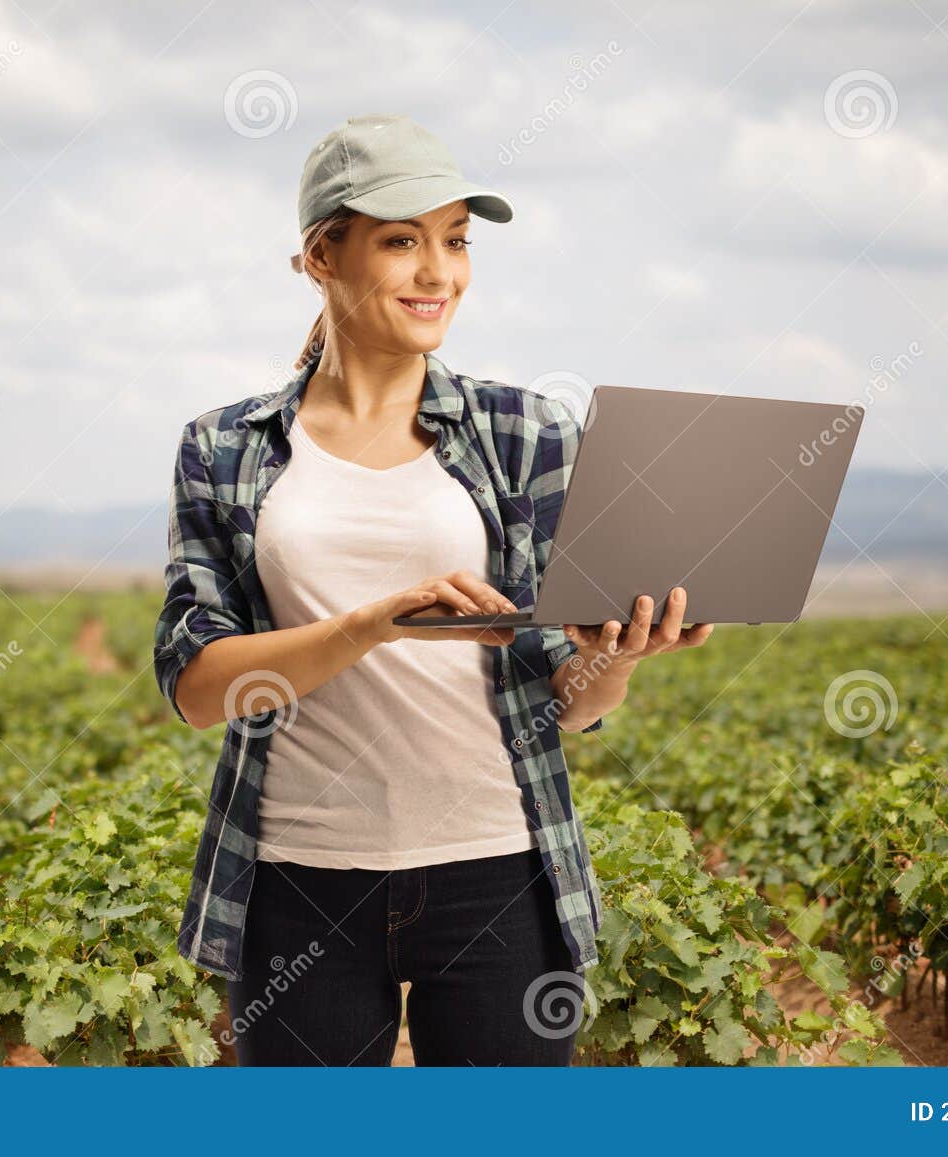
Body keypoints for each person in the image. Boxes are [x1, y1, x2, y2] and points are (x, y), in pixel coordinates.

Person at [152, 113, 713, 1066]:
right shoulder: (227, 447)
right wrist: (374, 624)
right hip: (299, 879)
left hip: (498, 870)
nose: (438, 271)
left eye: (455, 241)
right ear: (320, 258)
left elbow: (567, 706)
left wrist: (610, 657)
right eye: (402, 240)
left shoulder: (528, 433)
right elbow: (200, 688)